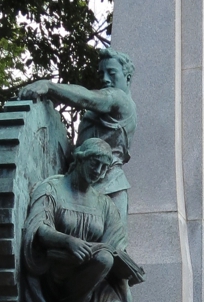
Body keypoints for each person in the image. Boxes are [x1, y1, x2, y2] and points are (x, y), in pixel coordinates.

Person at [18, 138, 139, 302]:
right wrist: (68, 241)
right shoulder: (52, 188)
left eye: (104, 167)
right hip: (58, 276)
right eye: (95, 163)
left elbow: (115, 245)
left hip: (95, 283)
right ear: (81, 158)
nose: (99, 171)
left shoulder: (104, 204)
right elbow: (38, 228)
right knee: (103, 258)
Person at [21, 48, 137, 229]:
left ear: (127, 77)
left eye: (112, 73)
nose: (105, 78)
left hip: (105, 186)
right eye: (102, 73)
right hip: (97, 184)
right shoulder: (117, 104)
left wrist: (50, 86)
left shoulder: (119, 99)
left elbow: (89, 98)